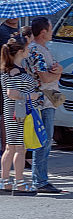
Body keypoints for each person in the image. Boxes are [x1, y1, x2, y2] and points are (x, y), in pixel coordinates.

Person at [26, 17, 64, 193]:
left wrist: (57, 70)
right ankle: (40, 180)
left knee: (45, 139)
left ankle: (40, 178)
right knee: (44, 140)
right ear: (43, 32)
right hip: (42, 101)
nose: (51, 32)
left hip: (49, 99)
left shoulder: (43, 49)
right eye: (50, 29)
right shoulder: (36, 51)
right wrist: (57, 74)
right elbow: (45, 77)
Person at [2, 36, 41, 195]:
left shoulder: (11, 68)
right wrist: (31, 96)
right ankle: (20, 183)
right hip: (17, 111)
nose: (29, 50)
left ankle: (5, 181)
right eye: (26, 48)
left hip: (13, 110)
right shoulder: (15, 70)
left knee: (11, 147)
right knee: (19, 148)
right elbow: (12, 93)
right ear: (20, 51)